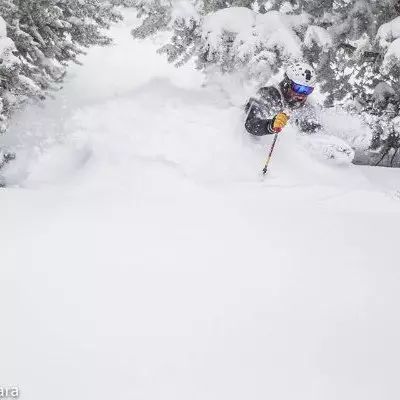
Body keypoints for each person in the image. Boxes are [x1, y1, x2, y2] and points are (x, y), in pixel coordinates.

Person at [245, 62, 321, 136]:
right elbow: (251, 124)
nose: (301, 96)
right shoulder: (268, 95)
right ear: (287, 84)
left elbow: (315, 131)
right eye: (298, 88)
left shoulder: (307, 106)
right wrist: (271, 125)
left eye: (308, 90)